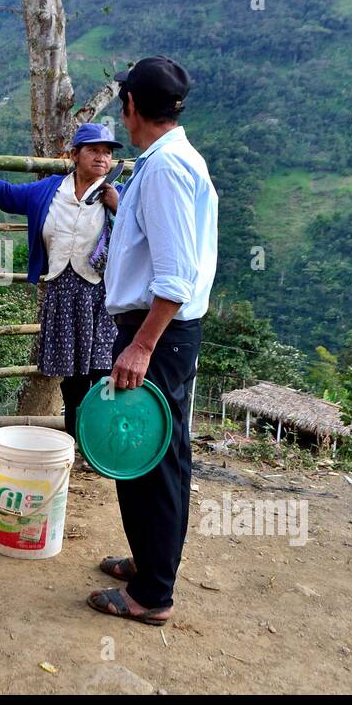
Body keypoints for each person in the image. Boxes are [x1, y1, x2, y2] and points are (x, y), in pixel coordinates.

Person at [89, 56, 218, 626]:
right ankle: (149, 564)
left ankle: (152, 594)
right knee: (144, 450)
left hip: (158, 334)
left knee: (155, 454)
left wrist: (140, 345)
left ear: (132, 107)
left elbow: (174, 275)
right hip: (161, 331)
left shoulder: (165, 169)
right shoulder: (169, 161)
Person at [0, 122, 122, 442]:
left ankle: (103, 444)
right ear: (75, 155)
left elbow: (141, 233)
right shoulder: (48, 191)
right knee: (73, 378)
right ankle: (77, 443)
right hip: (63, 293)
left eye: (107, 153)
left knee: (103, 373)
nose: (101, 158)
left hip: (102, 295)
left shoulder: (121, 194)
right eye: (93, 150)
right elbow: (3, 194)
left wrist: (118, 206)